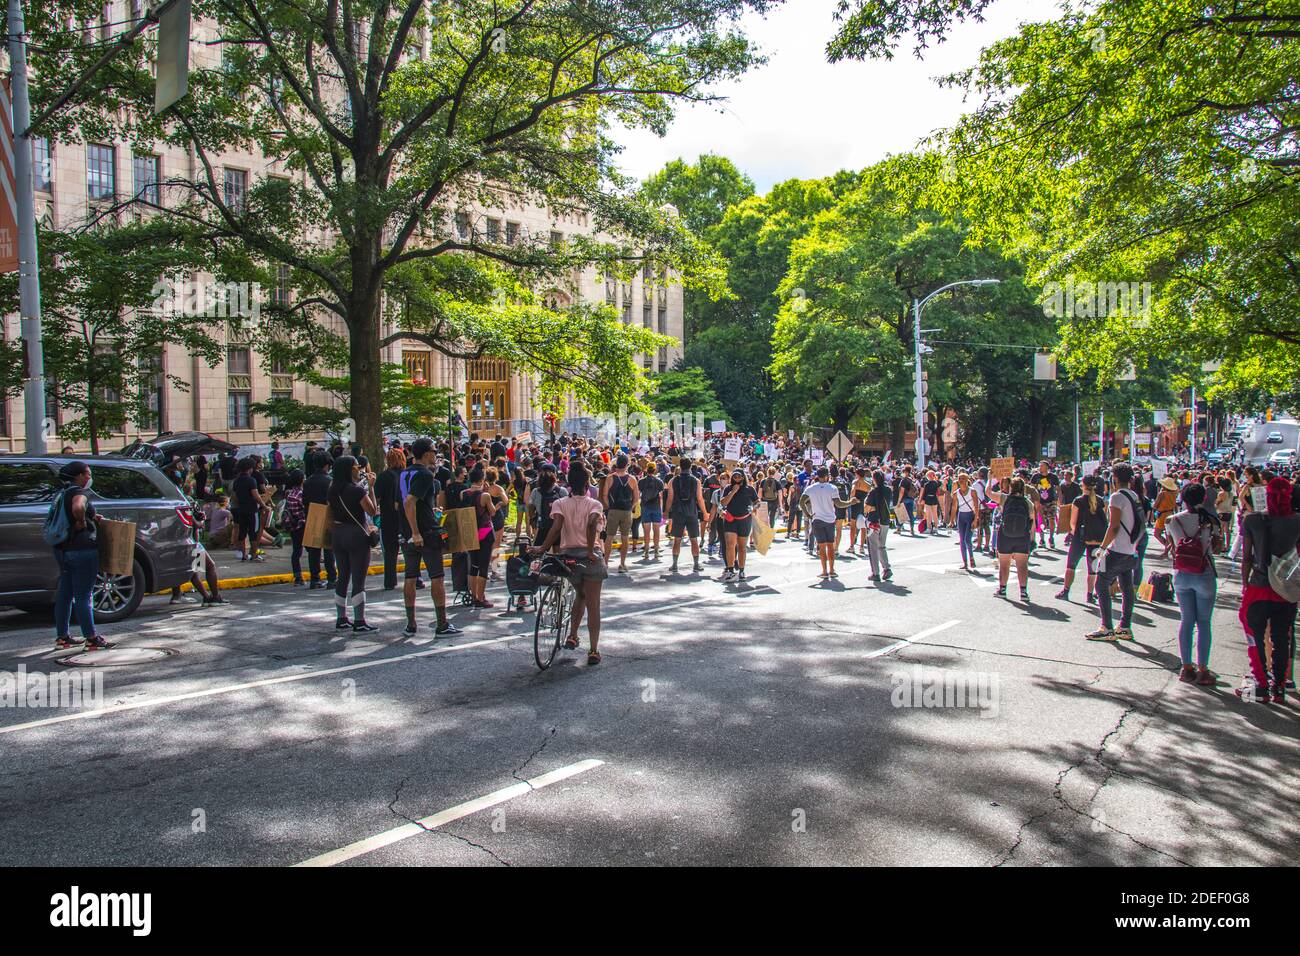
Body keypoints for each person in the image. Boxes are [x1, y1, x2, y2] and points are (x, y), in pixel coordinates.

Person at [529, 460, 608, 665]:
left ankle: (572, 634)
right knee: (593, 604)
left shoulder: (560, 503)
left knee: (580, 594)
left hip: (568, 558)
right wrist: (590, 549)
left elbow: (555, 529)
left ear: (569, 484)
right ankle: (593, 649)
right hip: (590, 558)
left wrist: (542, 548)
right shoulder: (594, 504)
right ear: (587, 483)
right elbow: (592, 524)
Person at [1238, 477, 1299, 704]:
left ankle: (1261, 682)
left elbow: (1246, 557)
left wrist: (1245, 584)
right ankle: (1279, 687)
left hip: (1259, 584)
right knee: (1281, 637)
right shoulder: (1297, 521)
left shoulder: (1253, 520)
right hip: (1286, 589)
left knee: (1253, 633)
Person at [400, 438, 462, 638]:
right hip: (424, 532)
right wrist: (417, 531)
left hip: (407, 532)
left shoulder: (402, 474)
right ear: (427, 454)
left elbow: (400, 504)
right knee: (437, 577)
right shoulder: (425, 474)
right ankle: (442, 624)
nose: (436, 455)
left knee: (410, 576)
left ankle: (411, 624)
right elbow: (410, 503)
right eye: (434, 451)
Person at [51, 461, 113, 651]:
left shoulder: (61, 494)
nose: (89, 478)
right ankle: (92, 639)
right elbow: (78, 508)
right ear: (77, 476)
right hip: (83, 550)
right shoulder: (79, 493)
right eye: (87, 474)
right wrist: (82, 521)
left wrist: (90, 517)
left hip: (64, 550)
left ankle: (62, 637)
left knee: (65, 594)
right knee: (83, 596)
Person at [1167, 482, 1223, 686]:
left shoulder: (1172, 520)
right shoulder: (1210, 521)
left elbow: (1172, 545)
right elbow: (1216, 547)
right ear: (1203, 498)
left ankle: (1186, 667)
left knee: (1186, 620)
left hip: (1181, 574)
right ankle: (1203, 669)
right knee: (1204, 622)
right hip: (1204, 572)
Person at [1088, 464, 1145, 642]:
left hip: (1117, 549)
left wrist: (1103, 548)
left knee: (1100, 584)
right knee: (1127, 587)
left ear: (1115, 478)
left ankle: (1106, 627)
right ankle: (1125, 626)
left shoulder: (1117, 497)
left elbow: (1113, 526)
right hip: (1130, 549)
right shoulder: (1134, 495)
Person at [328, 455, 379, 632]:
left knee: (342, 576)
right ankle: (359, 619)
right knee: (358, 578)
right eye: (357, 467)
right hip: (356, 534)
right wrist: (371, 488)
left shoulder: (332, 489)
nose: (360, 470)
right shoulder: (357, 491)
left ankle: (341, 617)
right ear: (350, 469)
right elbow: (372, 510)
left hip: (338, 533)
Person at [1057, 475, 1107, 603]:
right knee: (1093, 569)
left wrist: (1073, 533)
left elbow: (1073, 522)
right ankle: (1090, 595)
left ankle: (1066, 591)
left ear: (1083, 485)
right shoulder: (1101, 501)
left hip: (1080, 537)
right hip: (1097, 539)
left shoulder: (1078, 501)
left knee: (1071, 565)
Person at [988, 476, 1036, 602]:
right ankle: (1023, 592)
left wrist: (990, 478)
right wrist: (1032, 540)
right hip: (1022, 536)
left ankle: (1002, 589)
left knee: (1004, 564)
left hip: (1005, 535)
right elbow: (1033, 523)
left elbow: (988, 493)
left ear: (1011, 487)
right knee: (1022, 565)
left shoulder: (1004, 498)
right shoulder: (1028, 503)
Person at [802, 467, 851, 580]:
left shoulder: (811, 488)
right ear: (826, 476)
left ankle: (824, 571)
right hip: (829, 520)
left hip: (817, 519)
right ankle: (832, 570)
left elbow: (802, 501)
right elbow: (839, 504)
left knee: (822, 547)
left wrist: (808, 514)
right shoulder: (832, 488)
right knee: (830, 546)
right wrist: (850, 502)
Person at [460, 465, 499, 608]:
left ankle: (472, 594)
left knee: (473, 565)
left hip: (470, 531)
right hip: (485, 531)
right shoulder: (485, 495)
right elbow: (493, 512)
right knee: (483, 566)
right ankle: (480, 597)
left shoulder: (464, 493)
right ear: (482, 479)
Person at [374, 447, 408, 591]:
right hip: (405, 516)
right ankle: (415, 577)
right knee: (409, 550)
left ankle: (390, 581)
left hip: (388, 518)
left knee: (390, 552)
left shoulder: (383, 476)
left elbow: (376, 495)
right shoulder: (406, 475)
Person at [303, 451, 336, 589]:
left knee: (314, 551)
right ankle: (331, 578)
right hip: (327, 515)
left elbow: (304, 500)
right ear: (327, 465)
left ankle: (314, 578)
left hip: (312, 515)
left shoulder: (308, 481)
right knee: (329, 549)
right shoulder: (330, 481)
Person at [666, 460, 706, 574]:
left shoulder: (673, 480)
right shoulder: (696, 481)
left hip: (678, 512)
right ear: (690, 467)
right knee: (694, 540)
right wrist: (705, 512)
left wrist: (666, 511)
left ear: (680, 466)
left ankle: (674, 565)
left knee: (677, 540)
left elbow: (670, 498)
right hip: (692, 512)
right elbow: (699, 498)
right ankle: (696, 564)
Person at [601, 454, 638, 574]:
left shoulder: (610, 478)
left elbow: (605, 495)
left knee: (609, 537)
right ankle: (622, 564)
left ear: (617, 464)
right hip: (626, 511)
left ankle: (605, 563)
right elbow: (636, 498)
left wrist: (608, 506)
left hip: (613, 510)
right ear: (627, 465)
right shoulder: (632, 479)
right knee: (625, 537)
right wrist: (630, 506)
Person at [720, 469, 759, 582]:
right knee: (730, 545)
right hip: (730, 520)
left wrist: (753, 508)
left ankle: (741, 570)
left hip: (745, 520)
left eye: (739, 476)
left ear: (743, 477)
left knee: (742, 547)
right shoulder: (728, 488)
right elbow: (723, 503)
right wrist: (733, 492)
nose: (736, 478)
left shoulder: (749, 489)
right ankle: (731, 570)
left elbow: (757, 502)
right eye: (735, 476)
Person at [862, 469, 894, 583]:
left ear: (874, 479)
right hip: (885, 521)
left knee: (873, 548)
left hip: (873, 522)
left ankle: (875, 573)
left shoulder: (873, 492)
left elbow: (866, 507)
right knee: (882, 546)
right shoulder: (888, 490)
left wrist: (870, 506)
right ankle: (886, 568)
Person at [281, 468, 308, 586]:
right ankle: (315, 576)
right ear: (302, 480)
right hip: (302, 524)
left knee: (296, 552)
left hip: (293, 526)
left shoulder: (290, 493)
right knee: (312, 551)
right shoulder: (302, 494)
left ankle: (297, 576)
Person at [952, 471, 981, 571]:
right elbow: (954, 507)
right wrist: (951, 520)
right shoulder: (956, 493)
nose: (960, 480)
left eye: (963, 479)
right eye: (959, 479)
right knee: (962, 540)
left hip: (970, 516)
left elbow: (976, 506)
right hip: (961, 516)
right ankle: (965, 562)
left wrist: (976, 519)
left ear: (967, 480)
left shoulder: (972, 491)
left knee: (967, 539)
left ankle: (971, 558)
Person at [638, 464, 665, 560]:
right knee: (656, 530)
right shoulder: (659, 481)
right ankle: (656, 551)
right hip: (656, 506)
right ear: (654, 470)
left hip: (645, 506)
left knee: (646, 530)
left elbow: (638, 495)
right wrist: (661, 509)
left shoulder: (641, 481)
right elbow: (661, 496)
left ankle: (646, 551)